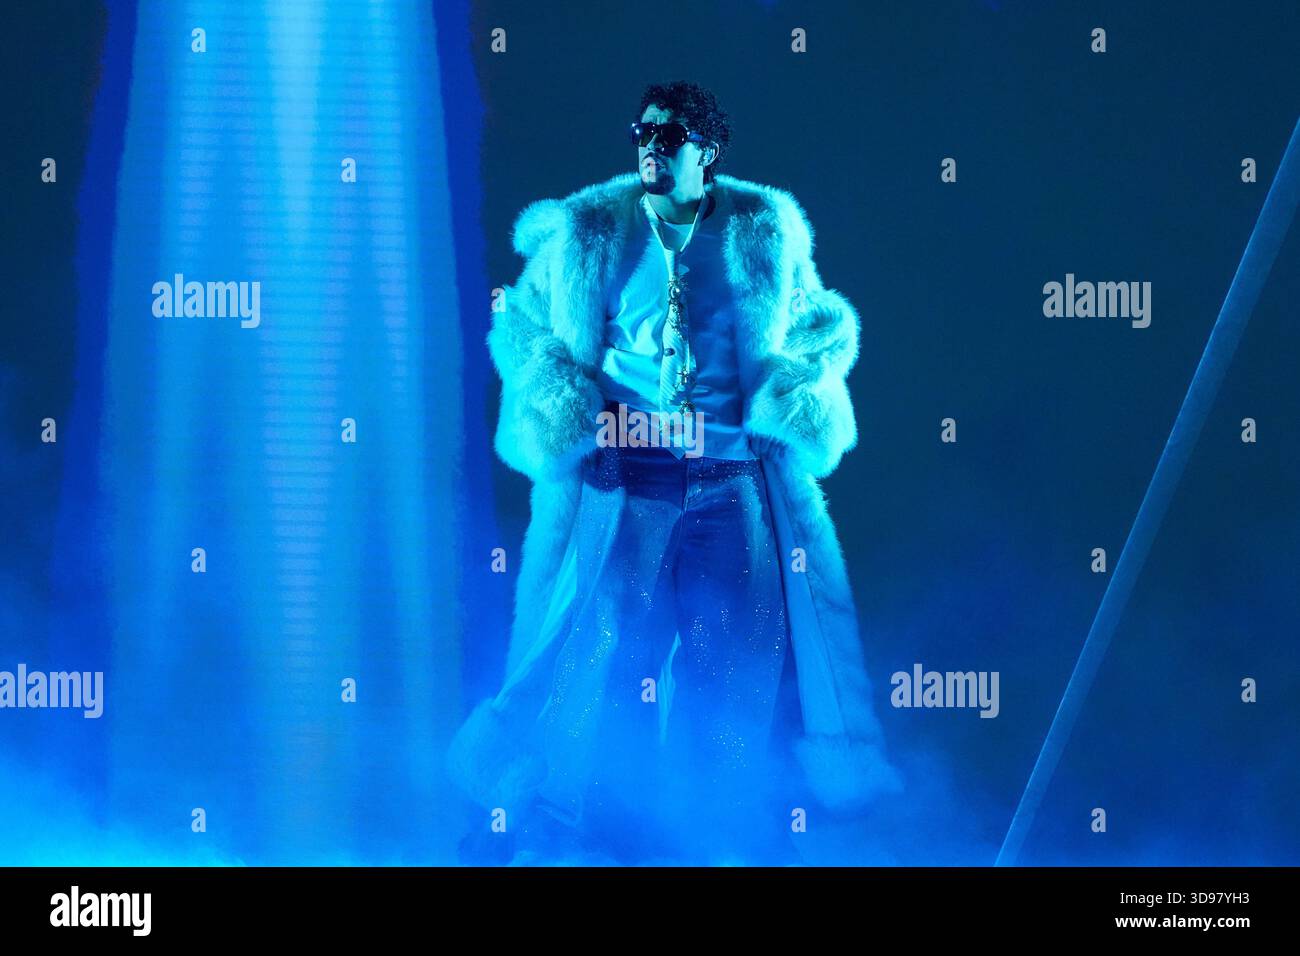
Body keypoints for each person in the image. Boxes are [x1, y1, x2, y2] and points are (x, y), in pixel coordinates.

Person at [448, 81, 899, 864]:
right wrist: (568, 410)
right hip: (626, 481)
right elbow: (521, 325)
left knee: (735, 671)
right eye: (643, 131)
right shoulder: (592, 229)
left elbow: (821, 322)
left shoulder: (762, 230)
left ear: (708, 150)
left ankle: (706, 836)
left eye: (671, 134)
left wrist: (789, 398)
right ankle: (550, 823)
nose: (652, 144)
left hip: (732, 487)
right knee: (589, 661)